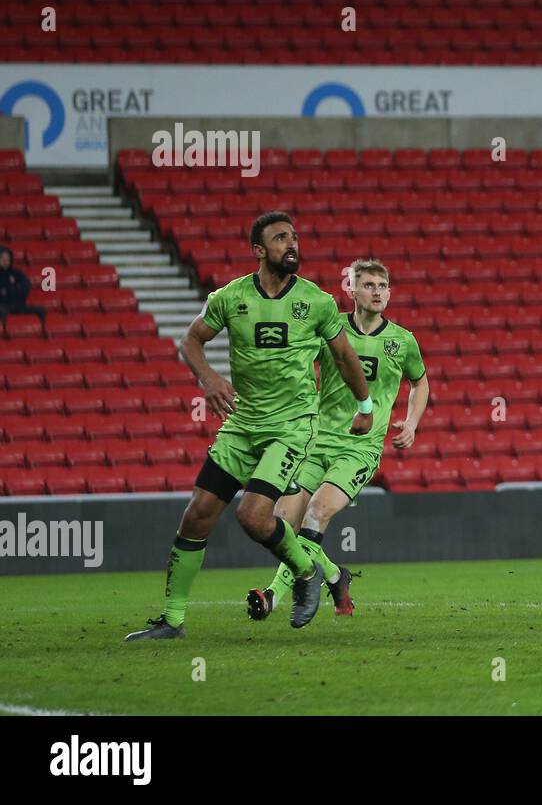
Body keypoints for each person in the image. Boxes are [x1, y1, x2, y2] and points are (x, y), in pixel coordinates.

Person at [124, 212, 372, 640]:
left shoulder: (316, 301)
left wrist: (365, 405)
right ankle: (172, 620)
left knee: (253, 516)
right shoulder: (229, 297)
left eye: (294, 236)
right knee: (196, 517)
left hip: (292, 425)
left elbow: (346, 357)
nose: (290, 244)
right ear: (259, 251)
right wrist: (210, 378)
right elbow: (191, 340)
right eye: (280, 238)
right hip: (242, 423)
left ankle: (303, 570)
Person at [247, 258, 429, 620]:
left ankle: (273, 595)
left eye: (382, 286)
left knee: (318, 511)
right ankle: (333, 574)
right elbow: (297, 366)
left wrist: (411, 422)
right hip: (316, 443)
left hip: (359, 449)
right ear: (352, 291)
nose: (377, 292)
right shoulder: (331, 332)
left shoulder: (402, 341)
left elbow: (420, 381)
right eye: (369, 285)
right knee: (282, 523)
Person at [0, 245, 46, 324]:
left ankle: (42, 331)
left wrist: (11, 289)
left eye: (7, 258)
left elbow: (26, 286)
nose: (5, 260)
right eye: (2, 258)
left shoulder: (17, 273)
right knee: (2, 311)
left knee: (41, 310)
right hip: (3, 306)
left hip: (19, 305)